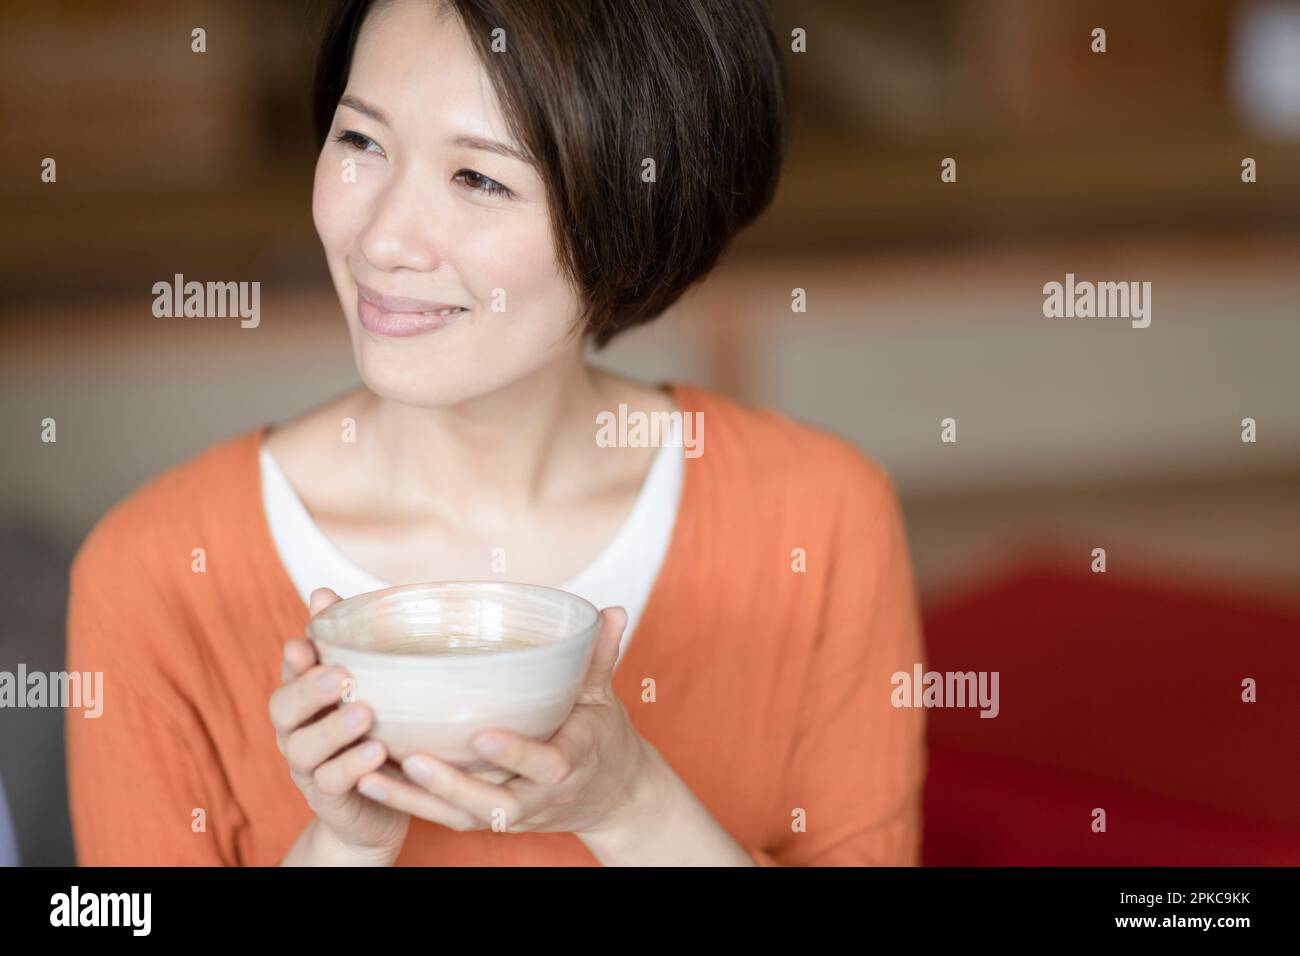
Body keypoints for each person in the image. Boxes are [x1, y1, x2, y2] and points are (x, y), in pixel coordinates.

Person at [65, 0, 927, 866]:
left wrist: (630, 803)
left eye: (479, 178)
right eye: (361, 142)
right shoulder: (155, 572)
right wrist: (344, 843)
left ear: (637, 219)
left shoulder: (817, 521)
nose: (383, 239)